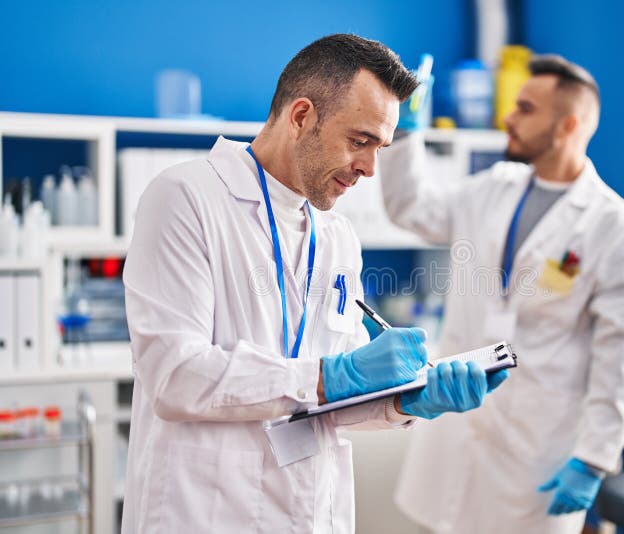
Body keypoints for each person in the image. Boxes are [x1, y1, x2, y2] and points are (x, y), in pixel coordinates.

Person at [121, 34, 508, 534]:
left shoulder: (337, 237)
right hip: (206, 513)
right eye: (360, 141)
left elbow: (333, 402)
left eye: (380, 148)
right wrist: (330, 376)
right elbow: (174, 376)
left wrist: (405, 400)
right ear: (301, 116)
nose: (370, 168)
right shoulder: (185, 198)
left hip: (310, 514)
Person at [382, 55, 624, 533]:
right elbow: (412, 209)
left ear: (567, 125)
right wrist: (405, 135)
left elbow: (623, 351)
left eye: (525, 108)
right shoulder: (494, 187)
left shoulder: (615, 228)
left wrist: (594, 459)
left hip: (536, 441)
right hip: (458, 421)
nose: (508, 117)